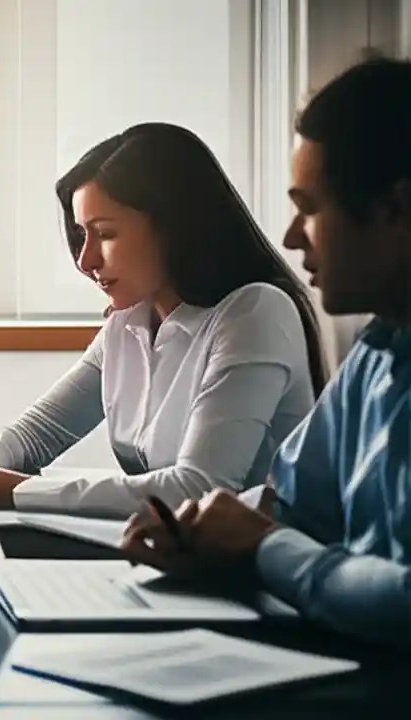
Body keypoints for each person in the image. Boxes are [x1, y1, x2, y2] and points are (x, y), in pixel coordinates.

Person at [122, 58, 411, 649]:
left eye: (309, 207)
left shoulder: (255, 310)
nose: (290, 236)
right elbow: (291, 501)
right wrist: (194, 528)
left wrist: (262, 546)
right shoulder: (376, 352)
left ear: (393, 209)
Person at [0, 123, 326, 517]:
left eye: (106, 234)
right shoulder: (129, 323)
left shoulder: (254, 313)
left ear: (175, 226)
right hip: (175, 559)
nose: (85, 259)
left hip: (256, 572)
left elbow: (198, 489)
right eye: (82, 234)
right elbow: (34, 435)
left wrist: (7, 489)